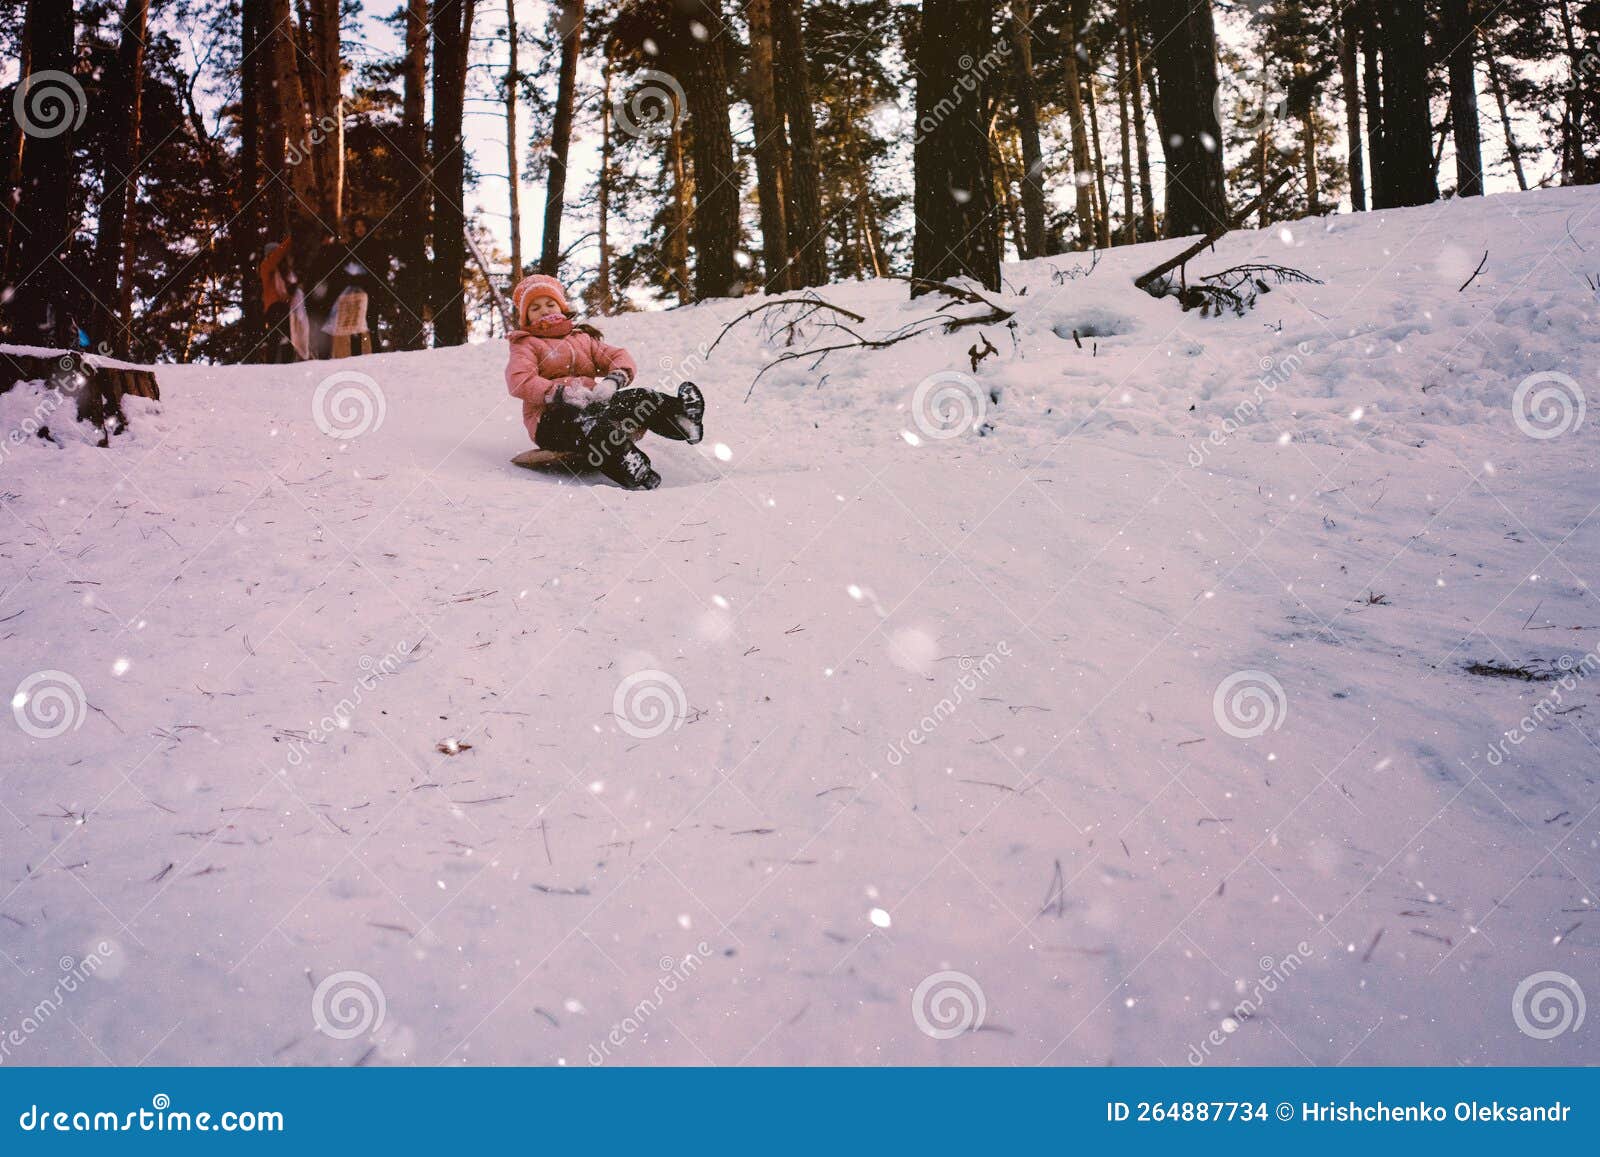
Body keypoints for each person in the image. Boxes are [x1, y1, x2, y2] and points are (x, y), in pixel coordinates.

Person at [504, 274, 704, 490]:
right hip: (551, 419)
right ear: (526, 318)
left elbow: (618, 356)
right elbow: (519, 380)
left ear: (561, 308)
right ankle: (631, 467)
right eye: (535, 308)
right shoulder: (526, 344)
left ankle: (682, 420)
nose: (544, 310)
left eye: (550, 304)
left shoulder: (581, 338)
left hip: (593, 406)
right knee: (589, 424)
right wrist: (560, 393)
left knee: (642, 397)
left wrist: (612, 381)